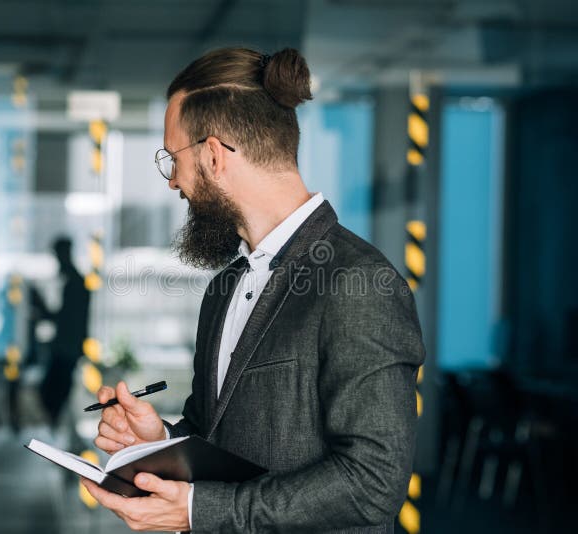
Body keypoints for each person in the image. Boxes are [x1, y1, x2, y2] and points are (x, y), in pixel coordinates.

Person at [82, 47, 426, 533]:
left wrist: (200, 512)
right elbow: (218, 439)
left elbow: (373, 482)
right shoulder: (225, 287)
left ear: (214, 155)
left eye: (171, 159)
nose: (173, 182)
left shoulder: (360, 283)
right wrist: (159, 438)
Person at [30, 236, 90, 429]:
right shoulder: (75, 282)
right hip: (67, 348)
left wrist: (41, 307)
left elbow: (66, 320)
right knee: (55, 391)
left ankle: (55, 427)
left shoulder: (75, 284)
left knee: (52, 392)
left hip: (66, 349)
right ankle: (55, 426)